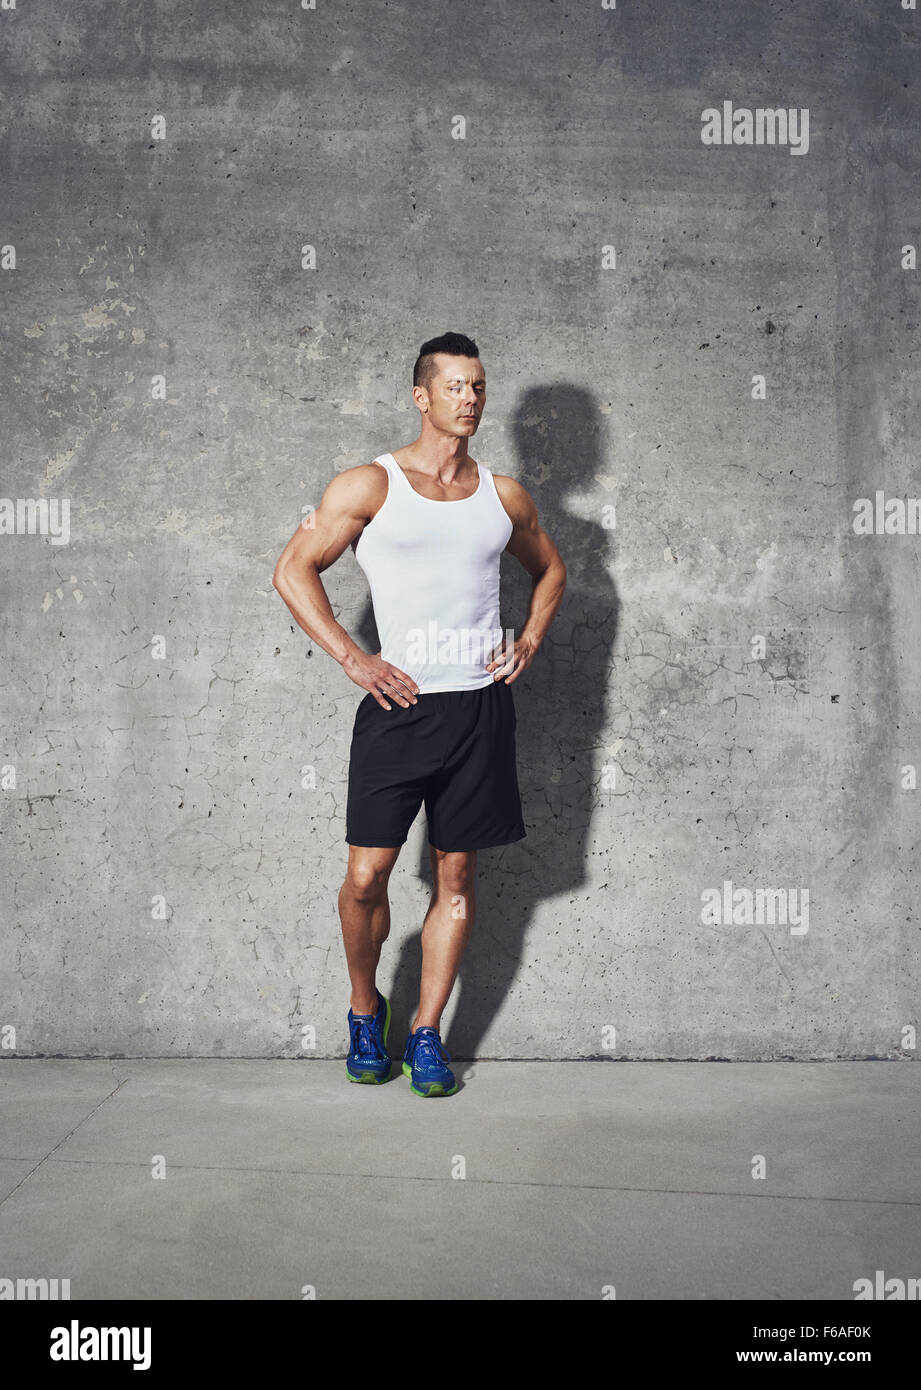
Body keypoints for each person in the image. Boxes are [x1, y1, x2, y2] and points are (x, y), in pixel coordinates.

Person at [273, 331, 566, 1096]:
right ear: (421, 396)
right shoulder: (367, 486)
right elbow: (291, 568)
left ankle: (427, 1033)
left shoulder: (503, 497)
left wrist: (527, 638)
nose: (469, 399)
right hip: (398, 709)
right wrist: (352, 656)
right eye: (455, 387)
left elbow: (551, 567)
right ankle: (366, 1009)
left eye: (477, 386)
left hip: (478, 711)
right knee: (367, 877)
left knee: (456, 874)